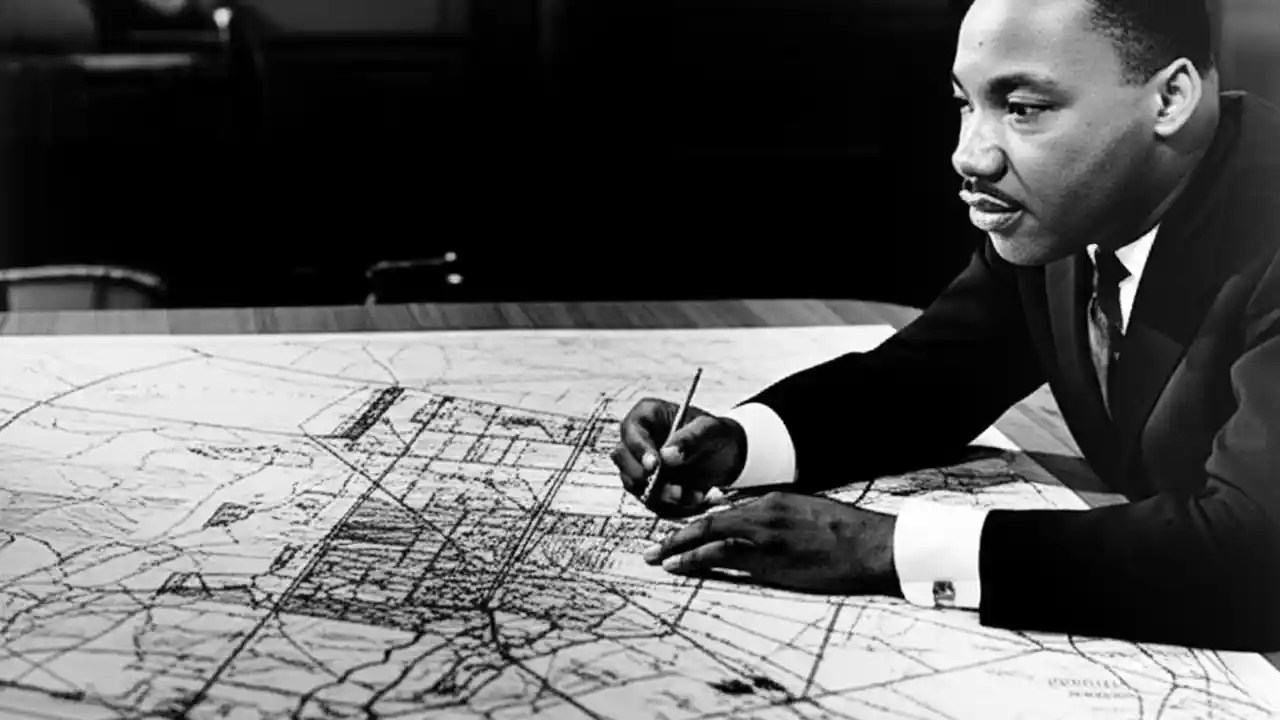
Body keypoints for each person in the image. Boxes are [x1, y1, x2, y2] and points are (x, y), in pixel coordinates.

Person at [612, 0, 1280, 652]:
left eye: (1022, 109)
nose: (970, 156)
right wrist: (738, 441)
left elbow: (1252, 552)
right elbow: (931, 376)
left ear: (1170, 99)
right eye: (966, 104)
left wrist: (885, 547)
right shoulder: (1075, 207)